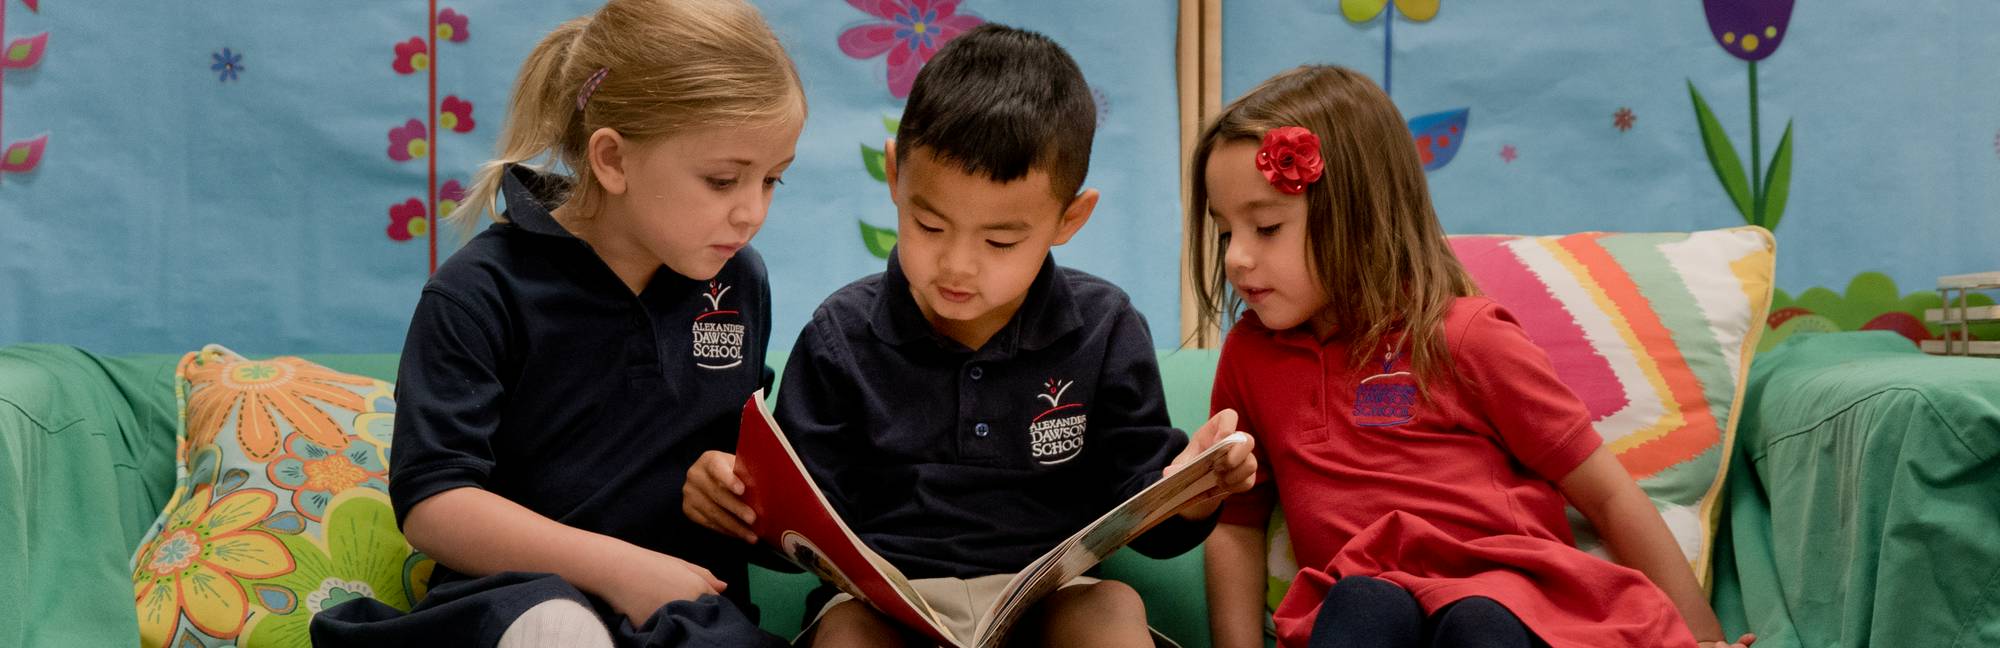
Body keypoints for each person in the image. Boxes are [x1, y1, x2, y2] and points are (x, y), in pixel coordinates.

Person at [681, 23, 1257, 648]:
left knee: (1113, 605)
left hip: (1048, 603)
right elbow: (800, 534)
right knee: (846, 630)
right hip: (884, 606)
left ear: (1070, 218)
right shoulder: (841, 335)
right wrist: (739, 504)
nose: (957, 265)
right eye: (929, 226)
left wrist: (1194, 492)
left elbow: (1146, 519)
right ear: (895, 177)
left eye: (1000, 241)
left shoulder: (1106, 327)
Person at [1188, 65, 1756, 648]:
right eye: (1226, 232)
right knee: (1362, 604)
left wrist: (1702, 638)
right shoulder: (1250, 358)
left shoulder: (1466, 336)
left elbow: (1607, 494)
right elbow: (1236, 522)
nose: (1236, 259)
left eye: (1266, 227)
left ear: (1359, 217)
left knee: (1478, 620)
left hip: (1505, 594)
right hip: (1362, 596)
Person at [311, 1, 804, 646]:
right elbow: (434, 504)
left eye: (772, 181)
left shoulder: (738, 281)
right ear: (613, 160)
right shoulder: (479, 291)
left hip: (690, 614)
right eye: (722, 180)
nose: (751, 213)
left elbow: (749, 462)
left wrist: (726, 483)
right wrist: (622, 570)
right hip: (518, 603)